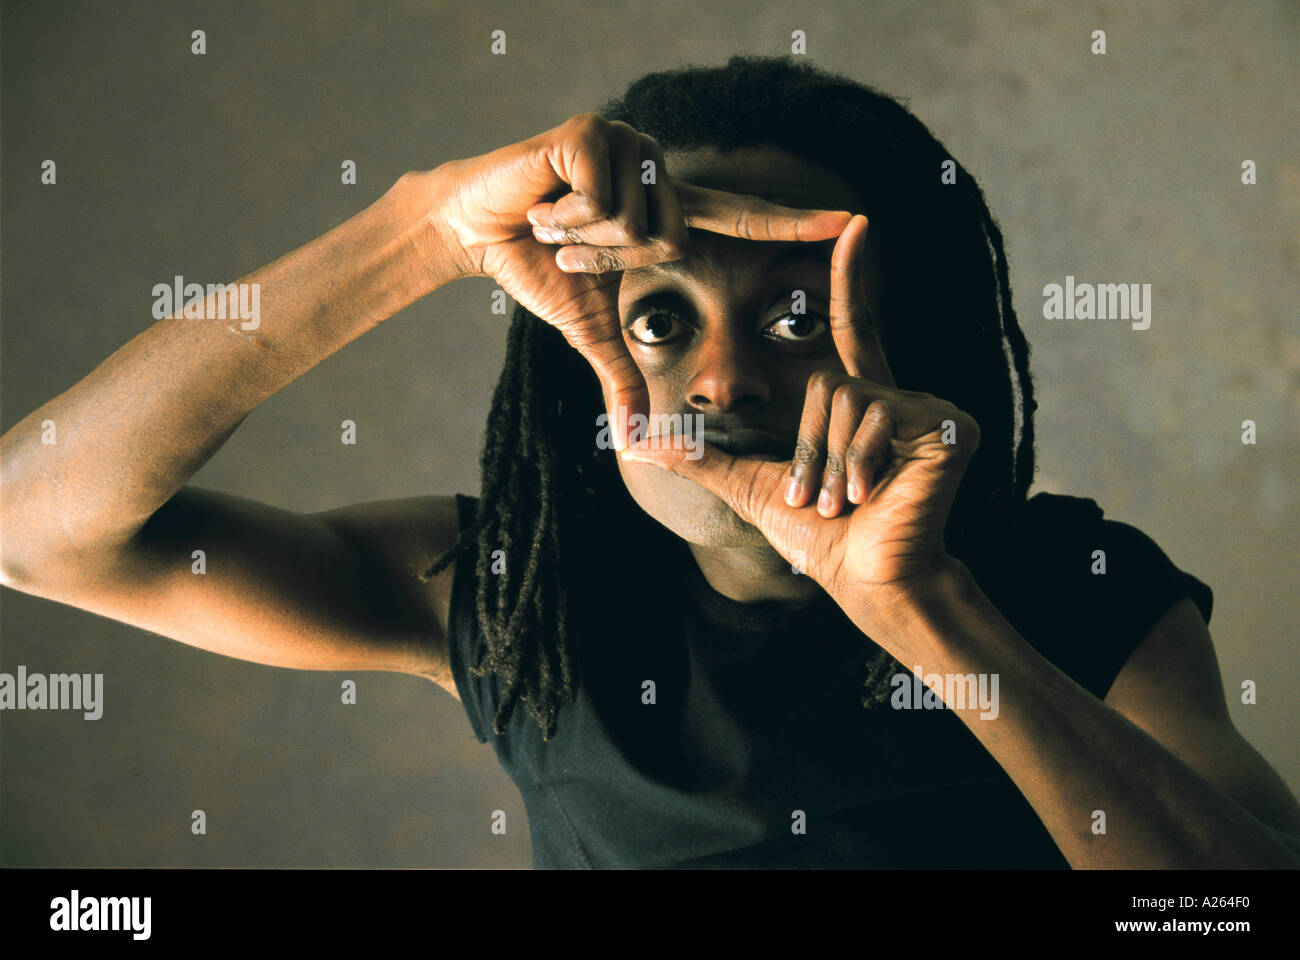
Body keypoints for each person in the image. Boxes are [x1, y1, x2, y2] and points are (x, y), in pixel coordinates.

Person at [2, 55, 1296, 869]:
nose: (724, 383)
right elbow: (35, 528)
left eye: (798, 317)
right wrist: (427, 233)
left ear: (911, 345)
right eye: (662, 318)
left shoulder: (1075, 592)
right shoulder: (521, 595)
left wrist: (930, 614)